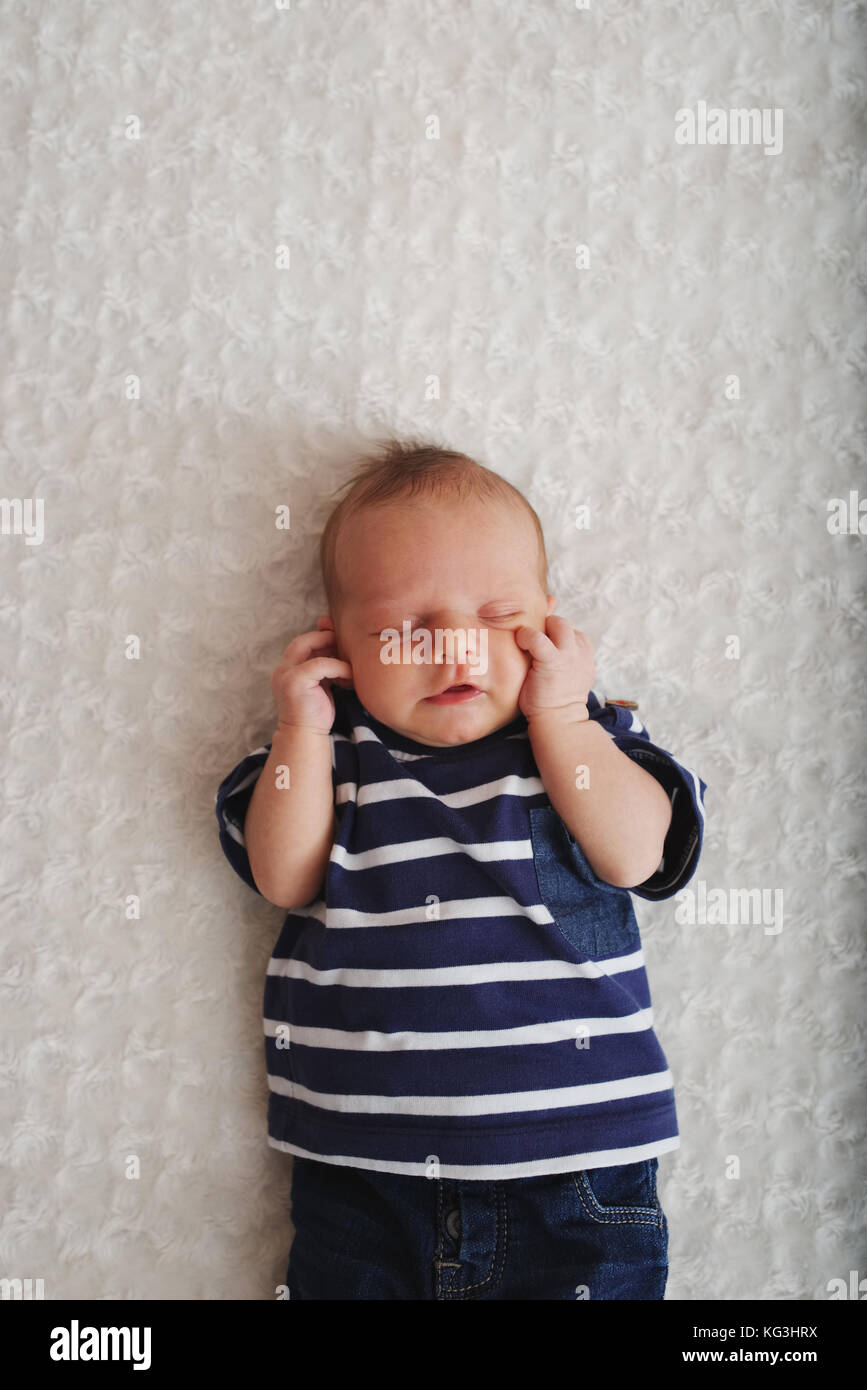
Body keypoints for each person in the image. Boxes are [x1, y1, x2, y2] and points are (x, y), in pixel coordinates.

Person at [215, 437, 708, 1299]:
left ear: (549, 624)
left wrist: (563, 721)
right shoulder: (329, 760)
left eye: (494, 618)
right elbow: (282, 880)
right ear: (337, 646)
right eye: (403, 630)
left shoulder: (580, 742)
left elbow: (638, 856)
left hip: (575, 1170)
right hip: (364, 1173)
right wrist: (297, 730)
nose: (455, 652)